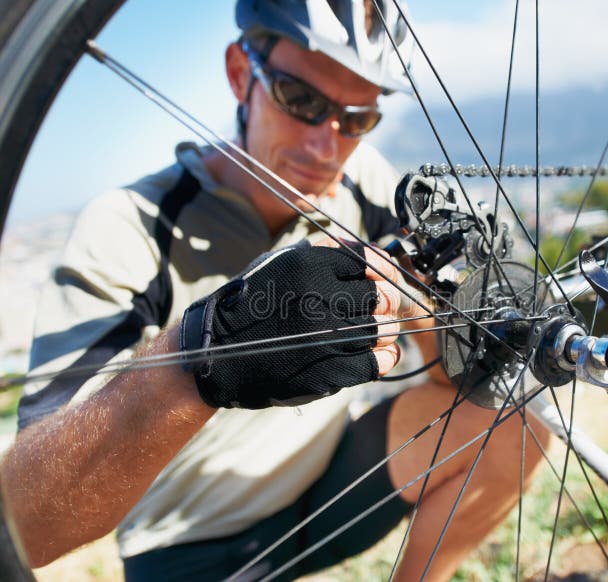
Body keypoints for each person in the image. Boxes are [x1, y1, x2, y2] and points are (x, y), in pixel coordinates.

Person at [0, 1, 547, 580]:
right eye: (301, 100)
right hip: (190, 547)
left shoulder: (363, 182)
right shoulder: (132, 225)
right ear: (241, 73)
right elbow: (24, 524)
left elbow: (450, 380)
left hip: (328, 488)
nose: (325, 146)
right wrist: (200, 355)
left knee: (516, 423)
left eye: (358, 118)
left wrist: (425, 300)